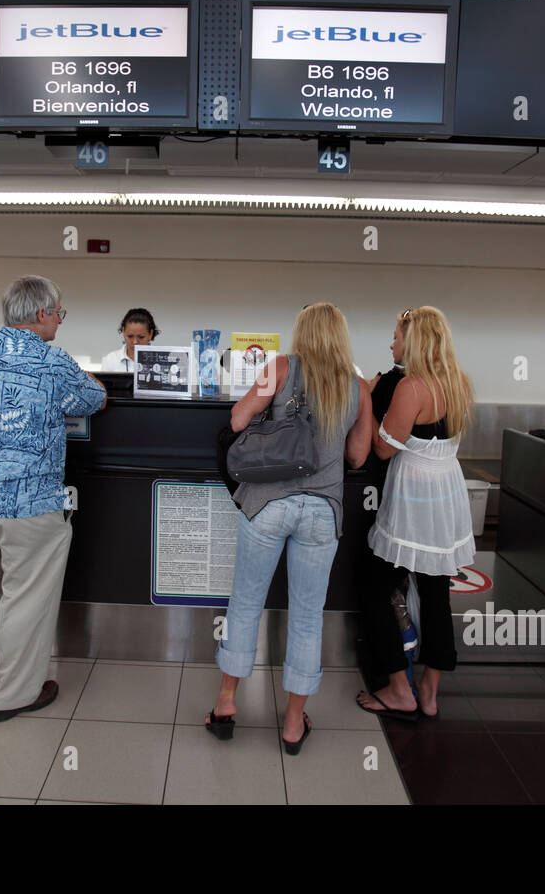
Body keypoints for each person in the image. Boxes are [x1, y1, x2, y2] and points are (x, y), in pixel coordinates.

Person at [208, 303, 373, 754]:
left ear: (302, 332)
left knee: (244, 604)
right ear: (341, 336)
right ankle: (293, 723)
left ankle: (226, 704)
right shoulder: (358, 388)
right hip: (323, 512)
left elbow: (238, 419)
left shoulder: (281, 367)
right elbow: (359, 457)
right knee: (306, 617)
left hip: (268, 504)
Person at [0, 275, 107, 721]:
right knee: (25, 596)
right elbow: (94, 398)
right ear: (41, 314)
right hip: (29, 499)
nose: (60, 320)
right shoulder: (53, 360)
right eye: (59, 312)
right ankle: (14, 695)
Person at [356, 307, 475, 721]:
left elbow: (384, 447)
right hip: (447, 493)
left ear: (415, 341)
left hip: (413, 499)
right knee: (436, 592)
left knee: (373, 589)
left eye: (396, 336)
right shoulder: (459, 382)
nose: (392, 344)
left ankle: (399, 689)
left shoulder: (412, 387)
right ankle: (430, 692)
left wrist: (365, 397)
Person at [100, 307, 159, 371]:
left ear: (150, 334)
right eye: (130, 336)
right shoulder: (111, 359)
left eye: (141, 337)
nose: (135, 342)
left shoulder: (161, 360)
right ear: (123, 332)